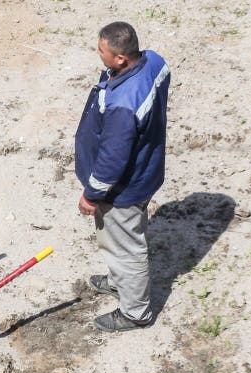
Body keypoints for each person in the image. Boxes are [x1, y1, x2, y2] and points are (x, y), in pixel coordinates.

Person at [74, 21, 170, 332]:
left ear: (120, 59)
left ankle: (135, 313)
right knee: (120, 241)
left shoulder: (123, 106)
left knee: (126, 248)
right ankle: (119, 282)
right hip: (147, 171)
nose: (97, 54)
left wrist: (92, 195)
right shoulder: (153, 61)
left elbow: (112, 161)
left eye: (102, 51)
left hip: (122, 190)